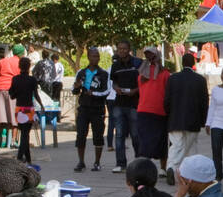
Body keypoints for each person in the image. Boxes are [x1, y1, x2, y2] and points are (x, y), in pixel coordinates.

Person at [164, 52, 209, 184]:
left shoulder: (173, 78)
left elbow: (166, 100)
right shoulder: (200, 80)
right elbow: (204, 103)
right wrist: (203, 120)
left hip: (175, 119)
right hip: (192, 120)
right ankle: (190, 172)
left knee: (176, 145)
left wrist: (169, 114)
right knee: (191, 147)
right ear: (193, 64)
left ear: (182, 63)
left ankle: (171, 167)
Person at [72, 47, 109, 172]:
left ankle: (97, 162)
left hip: (97, 108)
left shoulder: (103, 74)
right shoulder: (81, 72)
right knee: (81, 134)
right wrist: (77, 87)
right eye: (93, 56)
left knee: (98, 135)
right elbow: (75, 90)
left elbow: (106, 91)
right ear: (88, 57)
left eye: (97, 56)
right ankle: (81, 161)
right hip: (84, 108)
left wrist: (94, 94)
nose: (96, 59)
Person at [108, 40, 142, 174]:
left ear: (129, 49)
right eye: (119, 49)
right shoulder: (115, 65)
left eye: (124, 48)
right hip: (119, 103)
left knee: (135, 134)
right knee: (120, 134)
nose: (121, 51)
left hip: (134, 103)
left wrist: (136, 90)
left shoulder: (137, 63)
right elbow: (114, 82)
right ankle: (120, 163)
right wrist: (116, 89)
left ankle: (139, 162)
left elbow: (144, 81)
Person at [136, 47, 170, 170]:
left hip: (156, 110)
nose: (150, 58)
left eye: (152, 55)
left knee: (158, 141)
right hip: (147, 109)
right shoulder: (143, 72)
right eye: (148, 55)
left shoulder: (163, 73)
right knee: (148, 142)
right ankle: (149, 168)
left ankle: (161, 168)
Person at [9, 57, 44, 164]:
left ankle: (27, 159)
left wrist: (18, 92)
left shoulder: (15, 79)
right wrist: (42, 105)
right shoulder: (32, 80)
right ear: (29, 67)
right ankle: (21, 156)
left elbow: (12, 95)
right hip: (29, 109)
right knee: (25, 134)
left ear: (19, 66)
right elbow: (36, 94)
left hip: (19, 109)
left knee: (24, 134)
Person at [0, 44, 22, 149]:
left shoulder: (3, 61)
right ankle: (13, 141)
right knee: (14, 116)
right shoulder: (19, 62)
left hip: (0, 89)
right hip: (12, 90)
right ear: (21, 54)